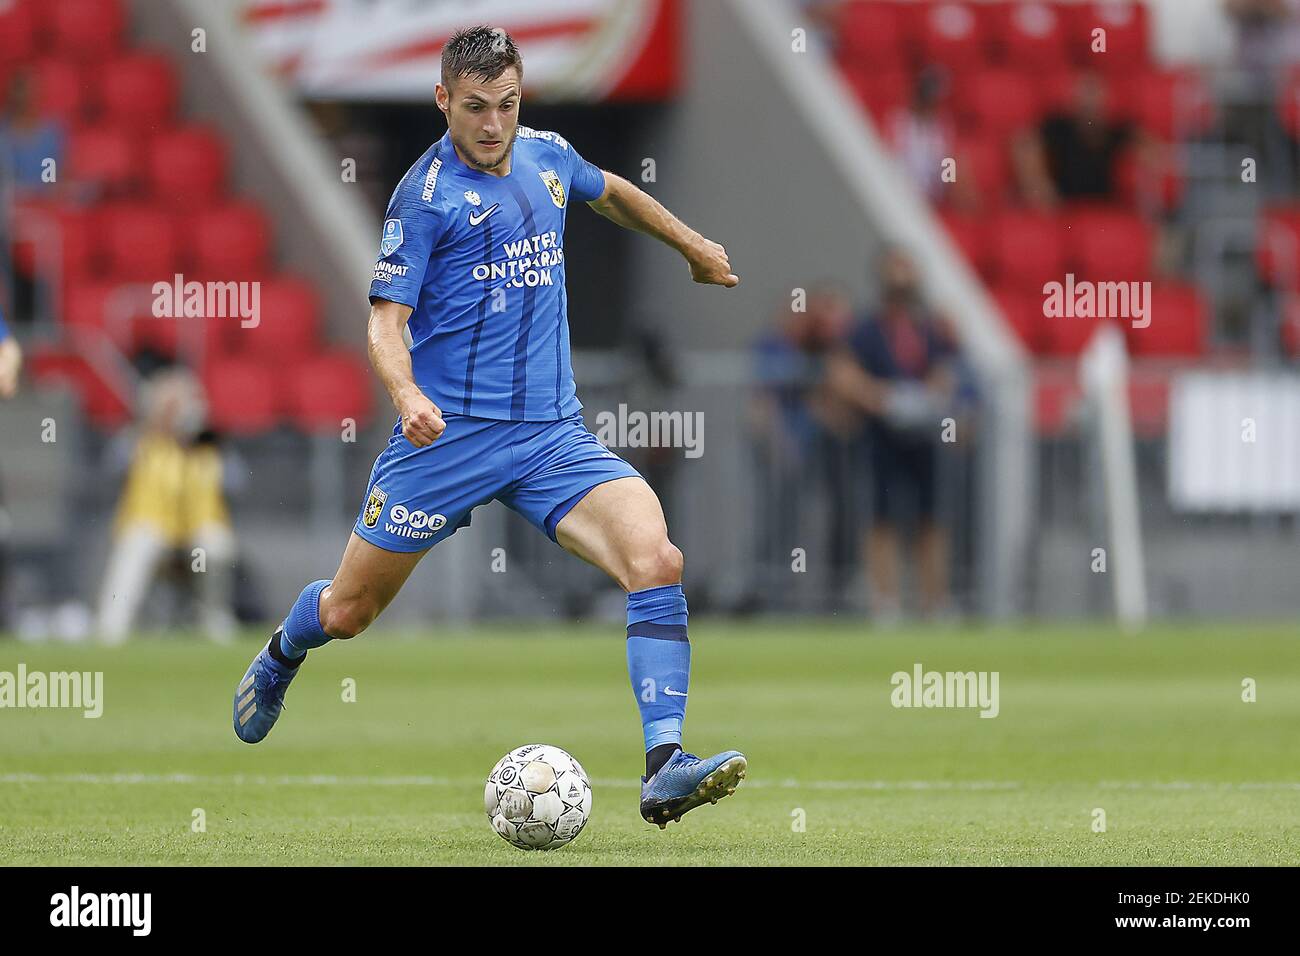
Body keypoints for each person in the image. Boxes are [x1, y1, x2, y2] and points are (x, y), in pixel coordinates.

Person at [231, 27, 746, 829]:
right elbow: (384, 323)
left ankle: (664, 765)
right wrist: (405, 395)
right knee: (348, 614)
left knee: (656, 557)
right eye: (475, 108)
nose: (493, 124)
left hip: (550, 434)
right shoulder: (425, 197)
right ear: (443, 100)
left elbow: (607, 191)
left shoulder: (546, 154)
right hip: (449, 440)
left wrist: (691, 244)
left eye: (506, 104)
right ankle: (280, 654)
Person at [828, 249, 956, 620]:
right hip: (881, 435)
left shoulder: (930, 327)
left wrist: (927, 398)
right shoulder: (866, 329)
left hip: (923, 435)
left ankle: (935, 601)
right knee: (881, 519)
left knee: (931, 519)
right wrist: (882, 399)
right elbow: (843, 374)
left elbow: (945, 370)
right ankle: (885, 601)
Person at [97, 368, 238, 644]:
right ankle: (112, 626)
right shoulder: (143, 442)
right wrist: (151, 425)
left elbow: (238, 481)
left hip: (196, 534)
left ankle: (214, 618)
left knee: (216, 545)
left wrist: (209, 439)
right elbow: (111, 462)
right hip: (154, 530)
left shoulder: (209, 449)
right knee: (139, 542)